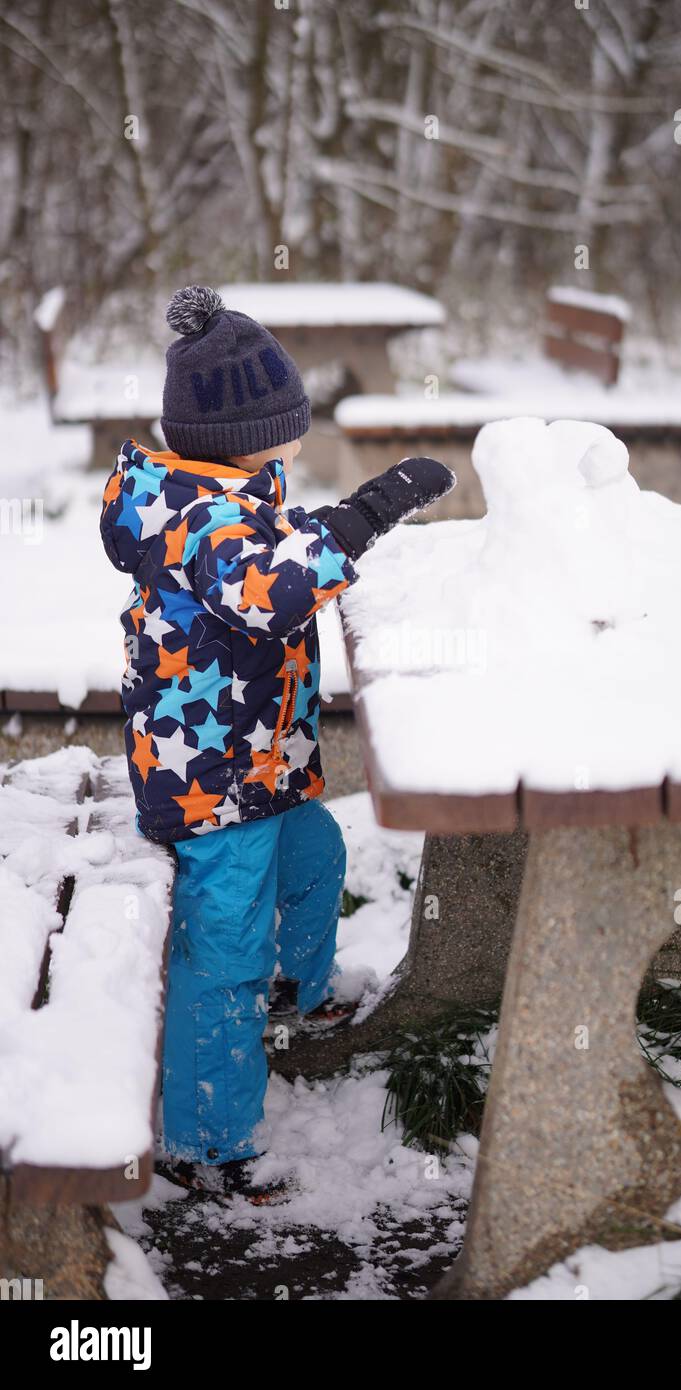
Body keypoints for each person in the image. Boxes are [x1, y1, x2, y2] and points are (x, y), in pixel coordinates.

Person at [99, 285, 454, 1202]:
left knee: (317, 853)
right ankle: (204, 1142)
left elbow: (270, 547)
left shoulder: (218, 491)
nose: (298, 443)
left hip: (259, 762)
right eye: (288, 429)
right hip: (211, 781)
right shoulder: (206, 518)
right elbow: (268, 588)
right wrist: (369, 513)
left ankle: (301, 993)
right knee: (225, 951)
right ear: (243, 438)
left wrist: (319, 528)